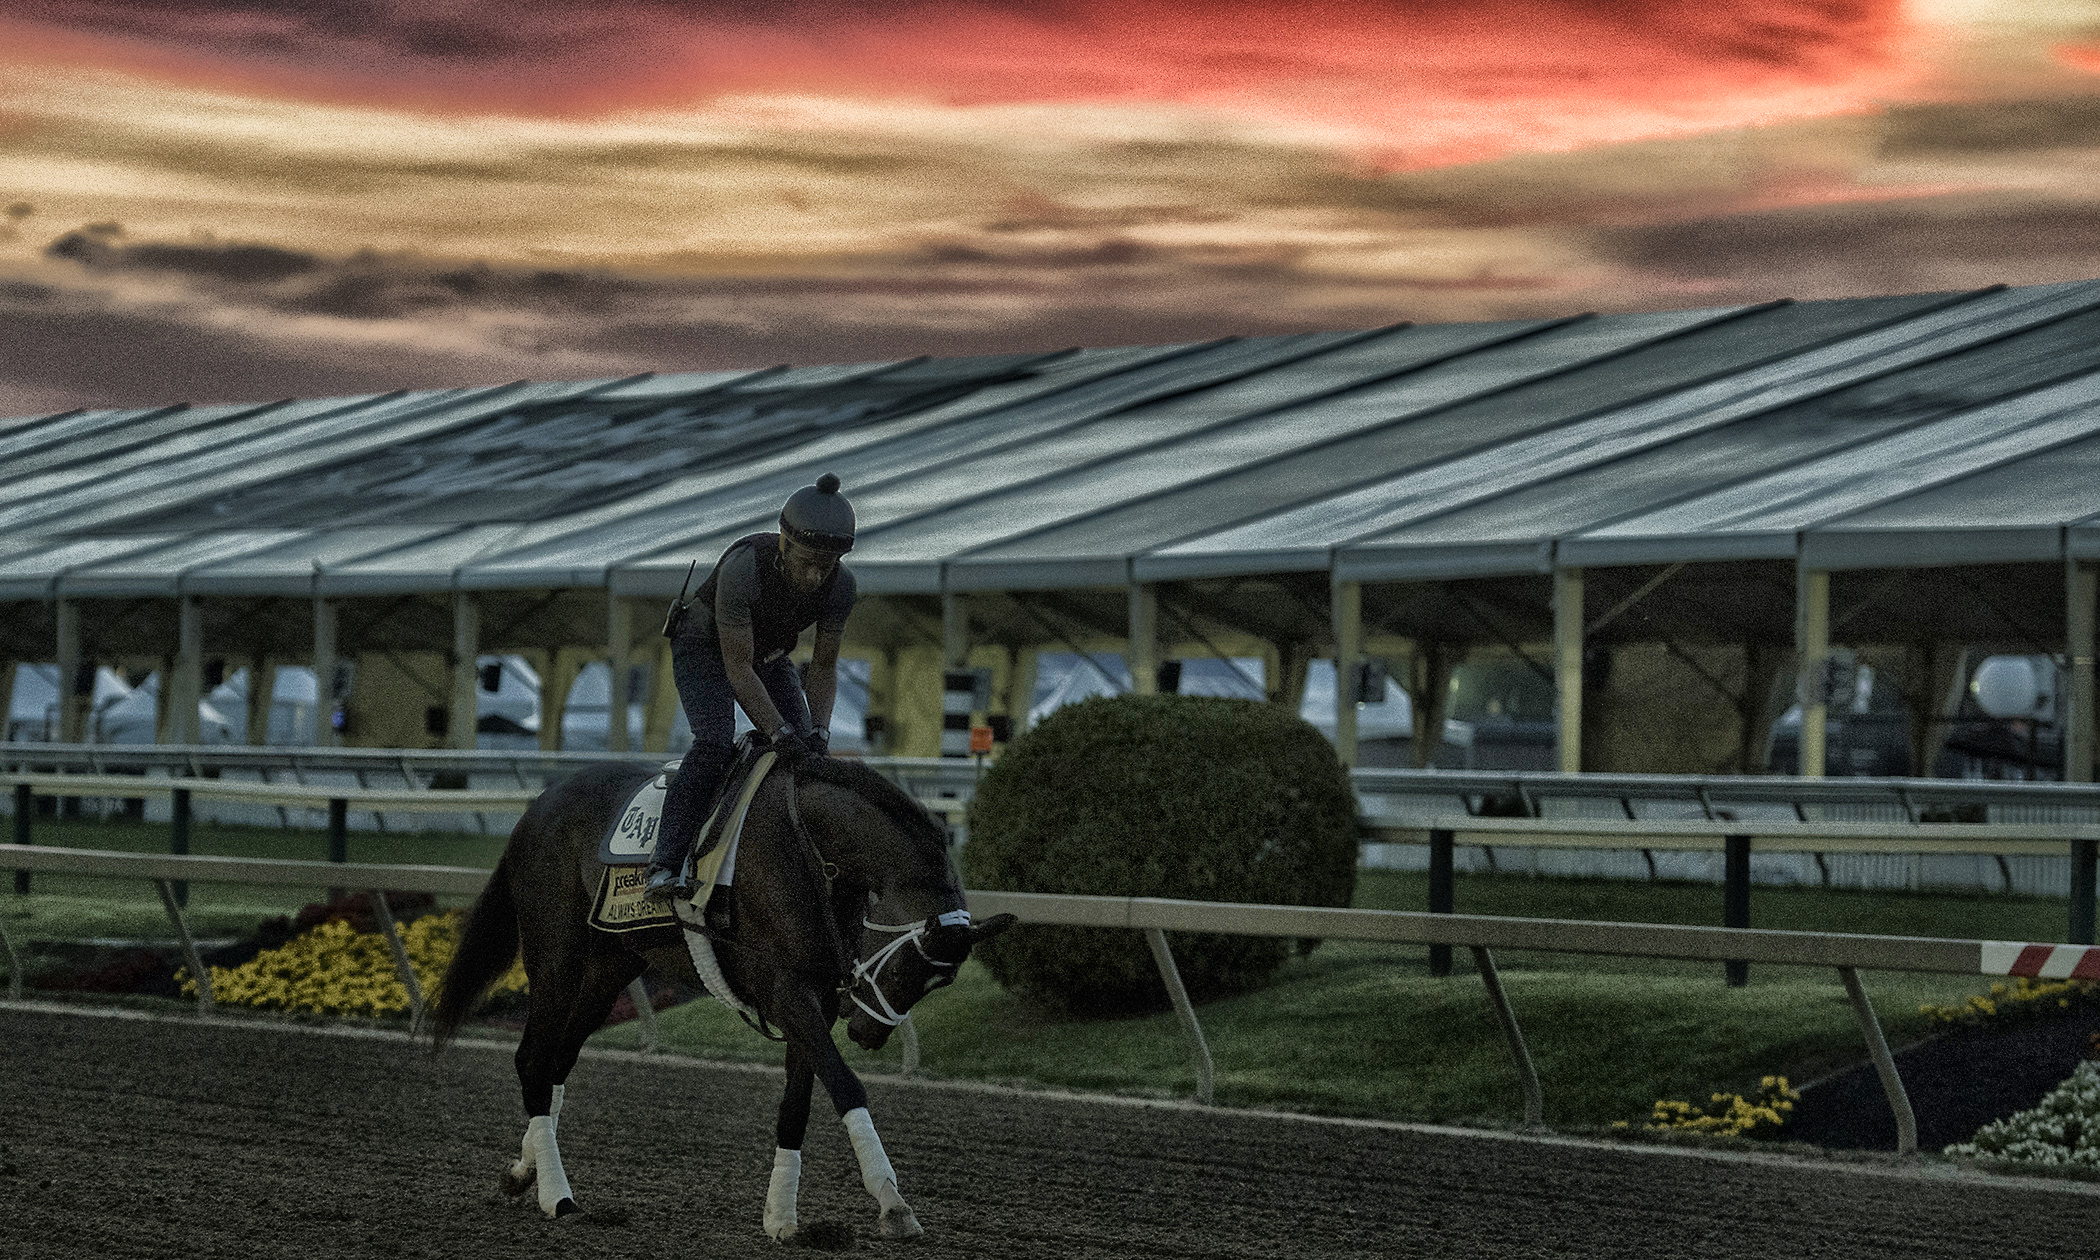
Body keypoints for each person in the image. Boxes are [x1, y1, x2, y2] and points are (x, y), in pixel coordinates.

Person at [643, 473, 857, 900]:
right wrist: (778, 732)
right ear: (783, 543)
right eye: (806, 562)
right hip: (704, 648)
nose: (815, 576)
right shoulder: (744, 567)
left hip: (770, 656)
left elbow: (823, 669)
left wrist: (819, 730)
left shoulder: (842, 587)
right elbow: (737, 669)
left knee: (808, 752)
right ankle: (664, 865)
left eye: (826, 565)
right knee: (715, 744)